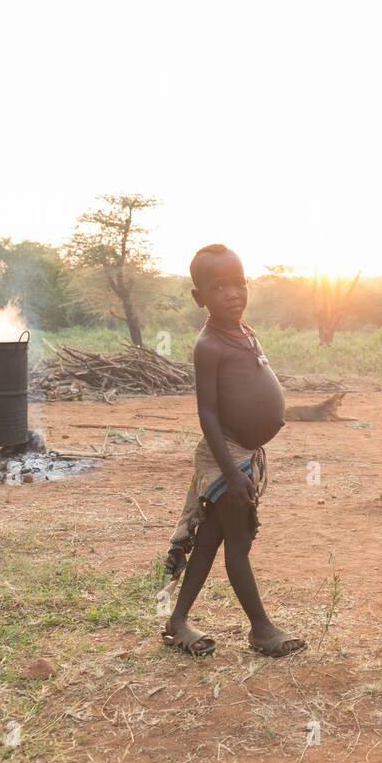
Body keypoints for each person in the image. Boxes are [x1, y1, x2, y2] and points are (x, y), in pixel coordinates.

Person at [161, 244, 305, 657]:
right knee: (237, 544)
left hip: (242, 454)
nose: (232, 293)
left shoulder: (244, 331)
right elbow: (206, 414)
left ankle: (177, 621)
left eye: (239, 283)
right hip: (227, 455)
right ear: (198, 296)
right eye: (218, 286)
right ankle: (261, 629)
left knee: (210, 539)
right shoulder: (210, 345)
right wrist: (231, 470)